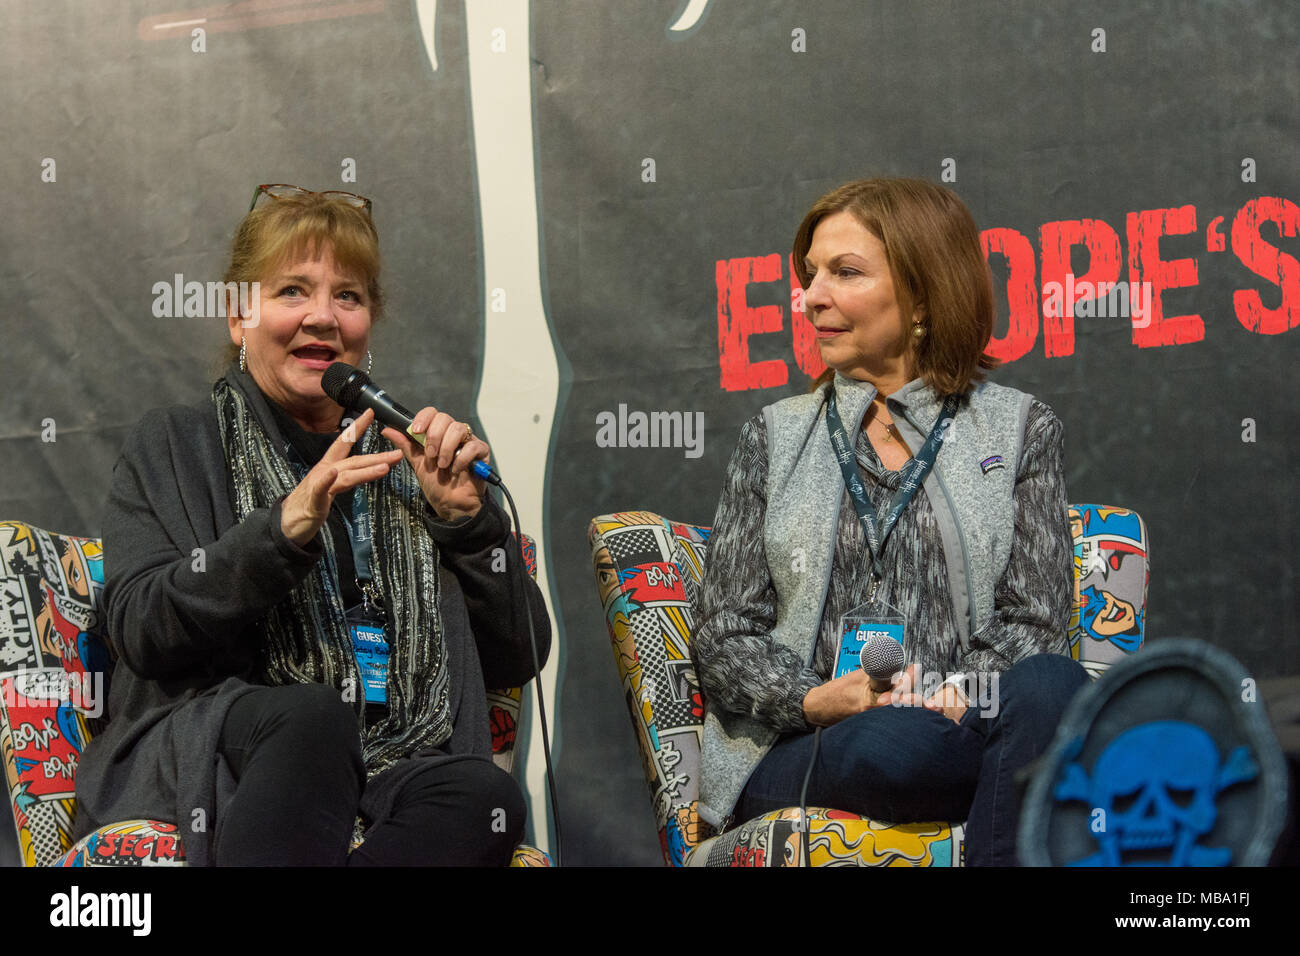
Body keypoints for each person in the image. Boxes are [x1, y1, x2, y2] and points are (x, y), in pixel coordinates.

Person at [73, 184, 551, 866]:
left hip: (395, 756)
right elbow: (142, 627)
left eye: (347, 297)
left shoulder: (414, 458)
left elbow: (516, 657)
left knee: (484, 793)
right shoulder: (177, 444)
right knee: (312, 715)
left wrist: (469, 525)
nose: (322, 317)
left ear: (369, 323)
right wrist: (280, 532)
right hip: (226, 745)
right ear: (240, 317)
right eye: (292, 291)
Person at [693, 177, 1089, 866]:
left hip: (965, 726)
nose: (813, 296)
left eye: (844, 273)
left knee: (1057, 686)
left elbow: (1036, 620)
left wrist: (953, 694)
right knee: (896, 746)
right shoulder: (775, 437)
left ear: (925, 295)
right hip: (812, 745)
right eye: (810, 274)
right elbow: (724, 634)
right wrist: (814, 698)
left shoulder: (1020, 428)